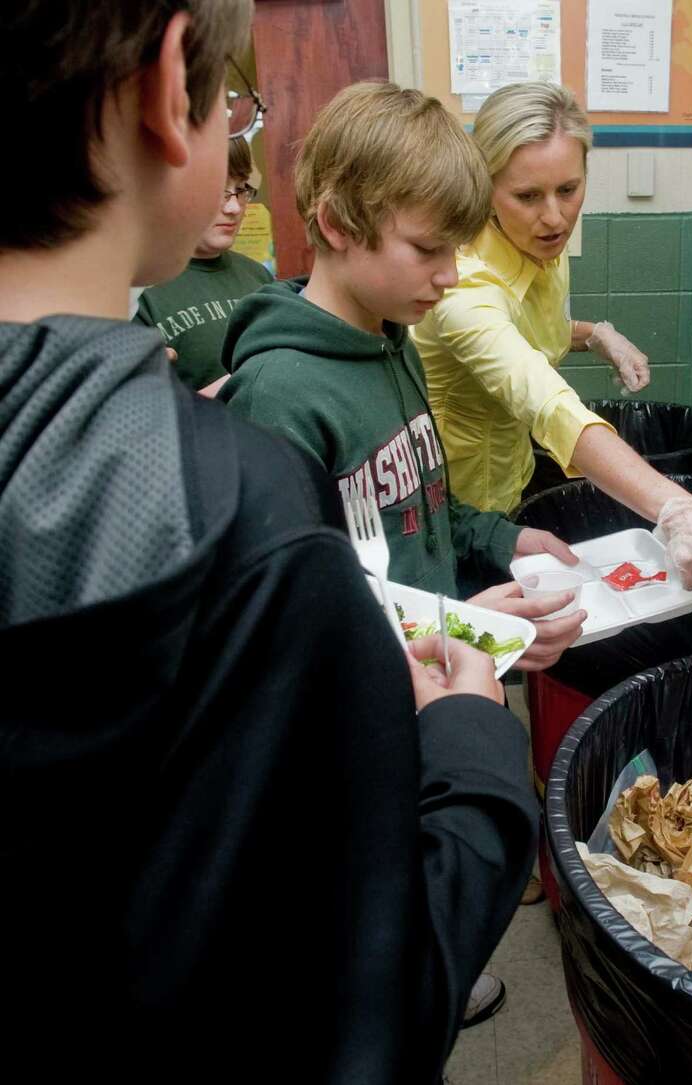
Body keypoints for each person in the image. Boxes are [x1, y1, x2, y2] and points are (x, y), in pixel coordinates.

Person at [0, 4, 536, 1081]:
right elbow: (360, 998)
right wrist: (478, 747)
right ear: (166, 94)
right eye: (229, 99)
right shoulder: (243, 507)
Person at [219, 82, 586, 674]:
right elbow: (281, 634)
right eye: (426, 249)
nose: (449, 277)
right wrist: (466, 629)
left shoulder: (393, 341)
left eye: (456, 251)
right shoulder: (277, 400)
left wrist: (502, 540)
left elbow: (422, 507)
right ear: (337, 224)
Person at [411, 82, 692, 630]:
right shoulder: (462, 287)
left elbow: (537, 331)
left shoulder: (537, 249)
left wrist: (595, 334)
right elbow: (545, 400)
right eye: (528, 196)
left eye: (569, 189)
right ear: (485, 189)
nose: (555, 218)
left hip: (508, 493)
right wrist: (678, 508)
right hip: (450, 516)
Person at [135, 134, 272, 392]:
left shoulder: (259, 277)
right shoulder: (136, 291)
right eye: (218, 190)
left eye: (241, 189)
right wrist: (232, 390)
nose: (233, 207)